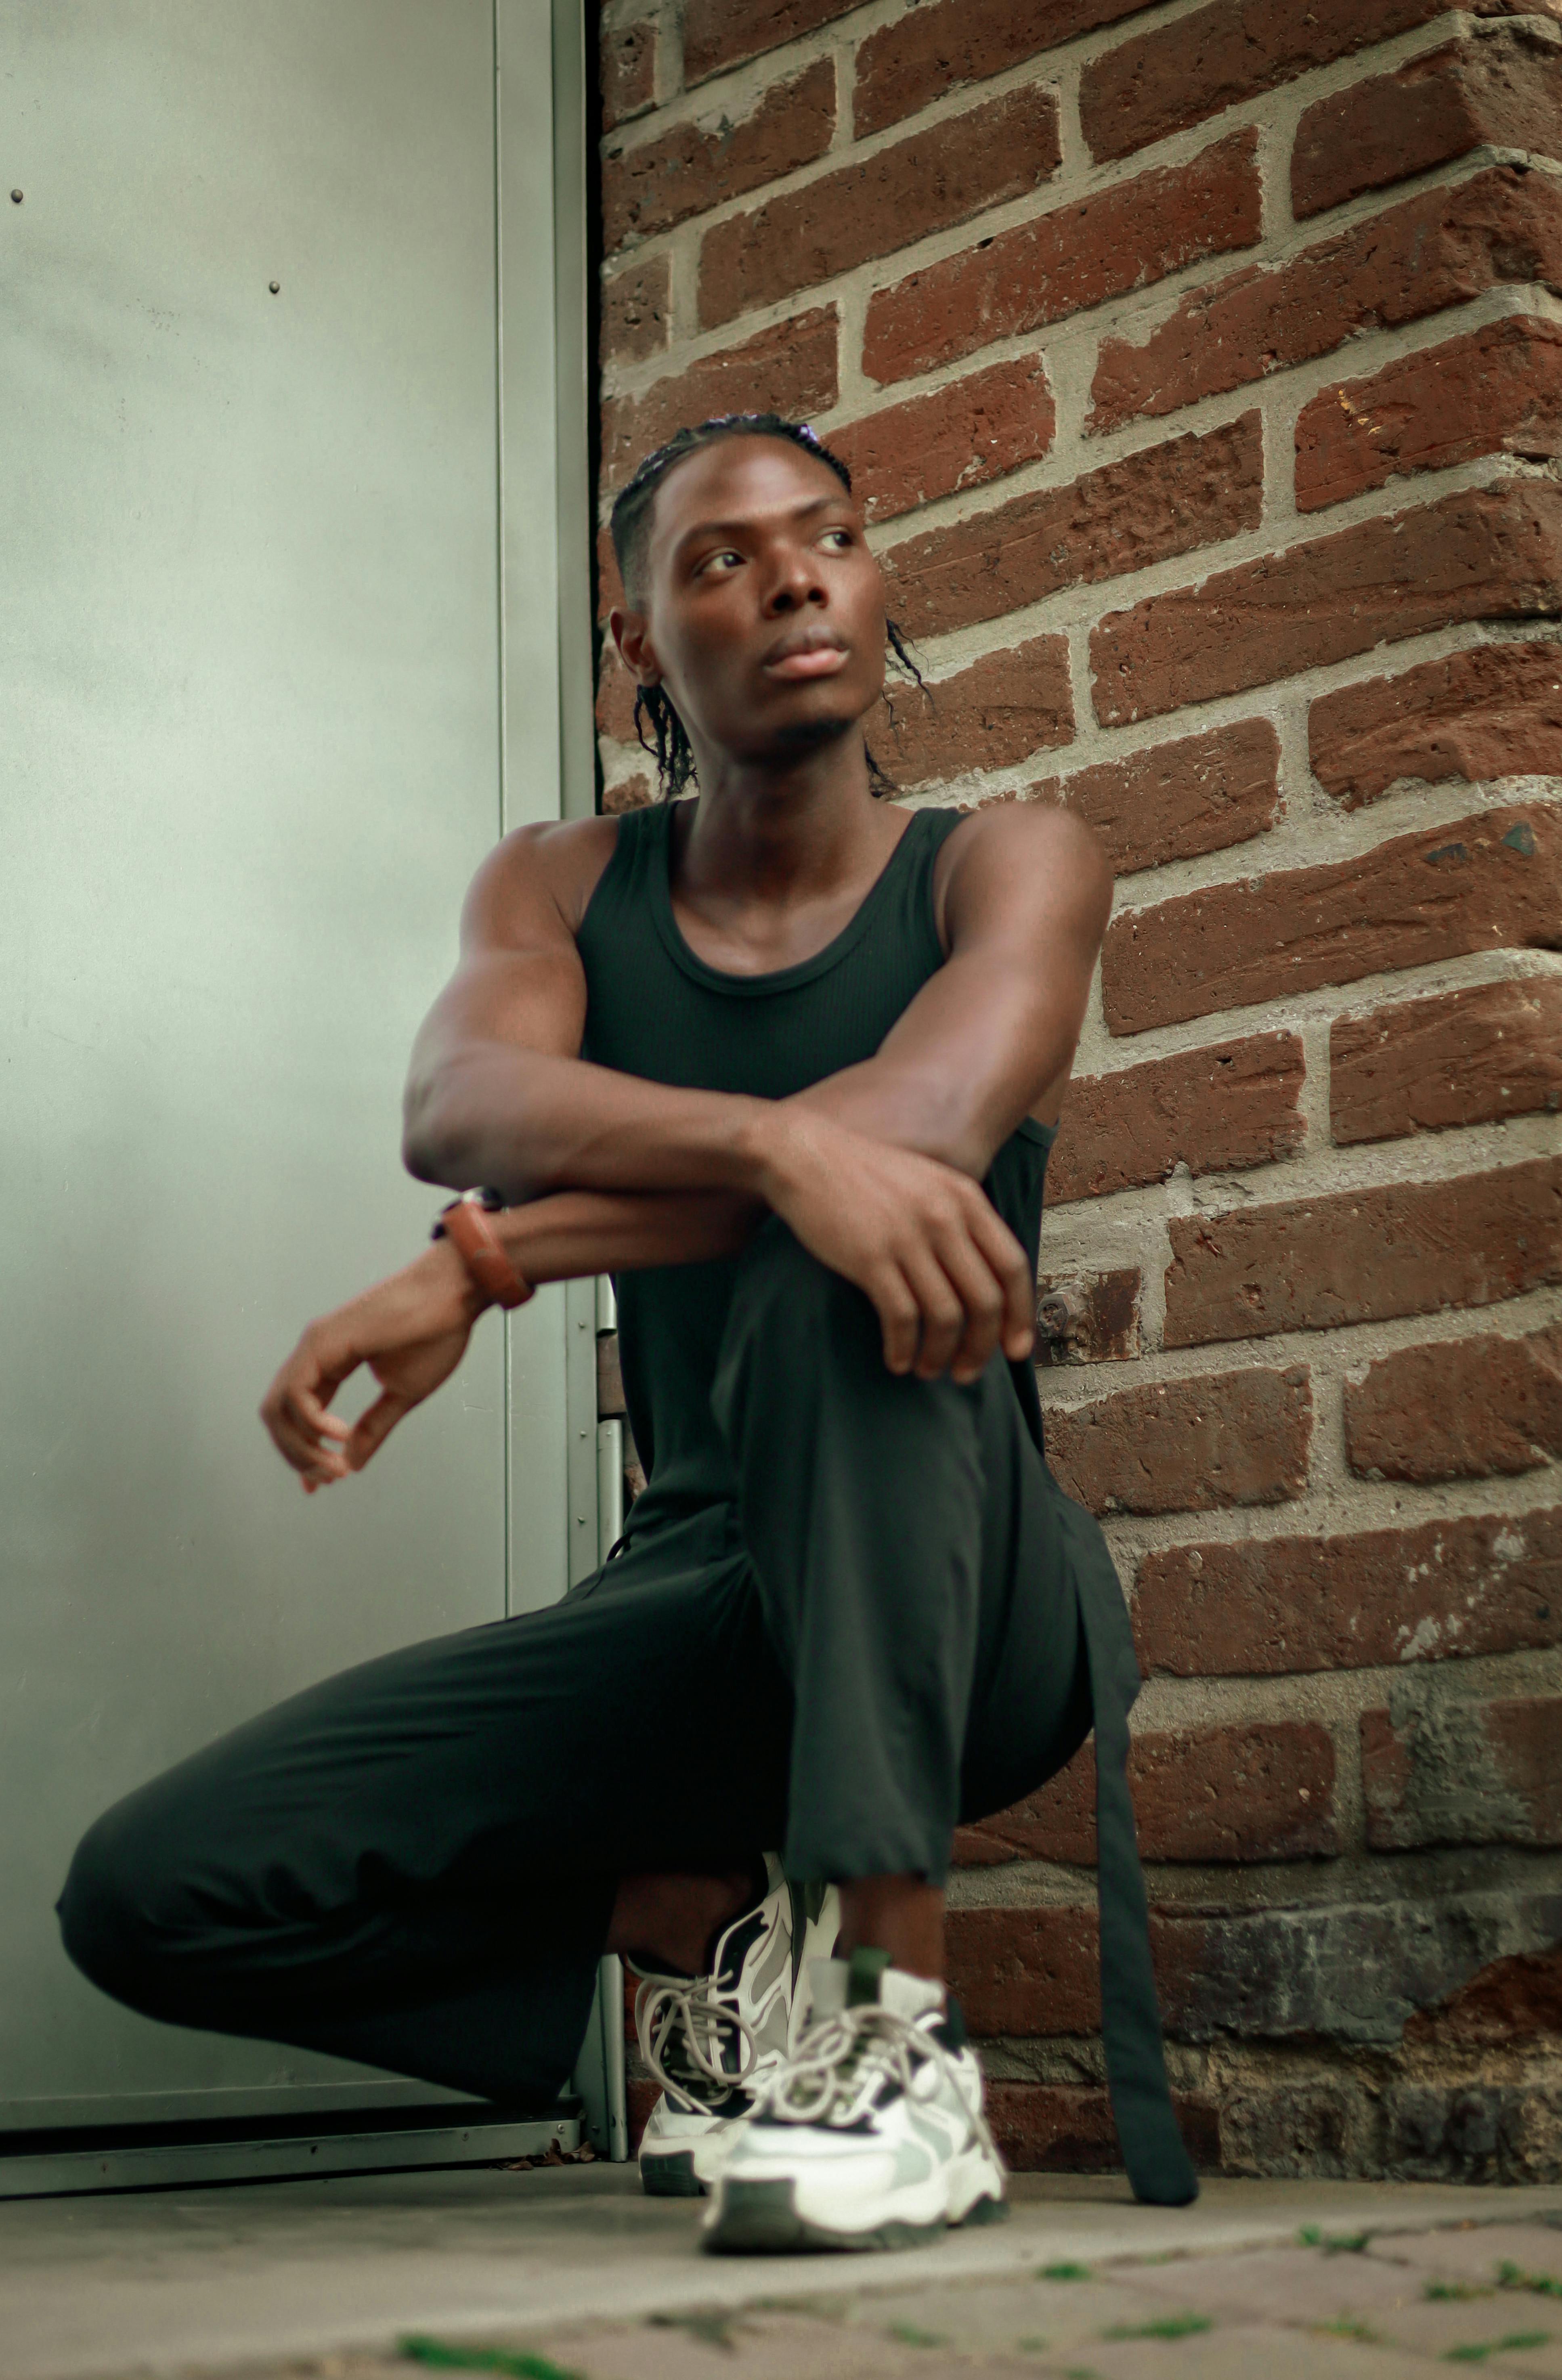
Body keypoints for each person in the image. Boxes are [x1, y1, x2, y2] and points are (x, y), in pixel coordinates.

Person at [57, 413, 1198, 2250]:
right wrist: (694, 1165)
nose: (792, 576)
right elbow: (458, 1100)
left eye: (826, 536)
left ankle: (886, 2045)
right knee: (154, 1889)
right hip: (699, 1595)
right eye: (721, 558)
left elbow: (900, 1148)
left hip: (967, 1587)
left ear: (874, 574)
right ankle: (705, 1942)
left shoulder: (1007, 864)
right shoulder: (560, 882)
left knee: (855, 1251)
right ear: (636, 643)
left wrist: (485, 1266)